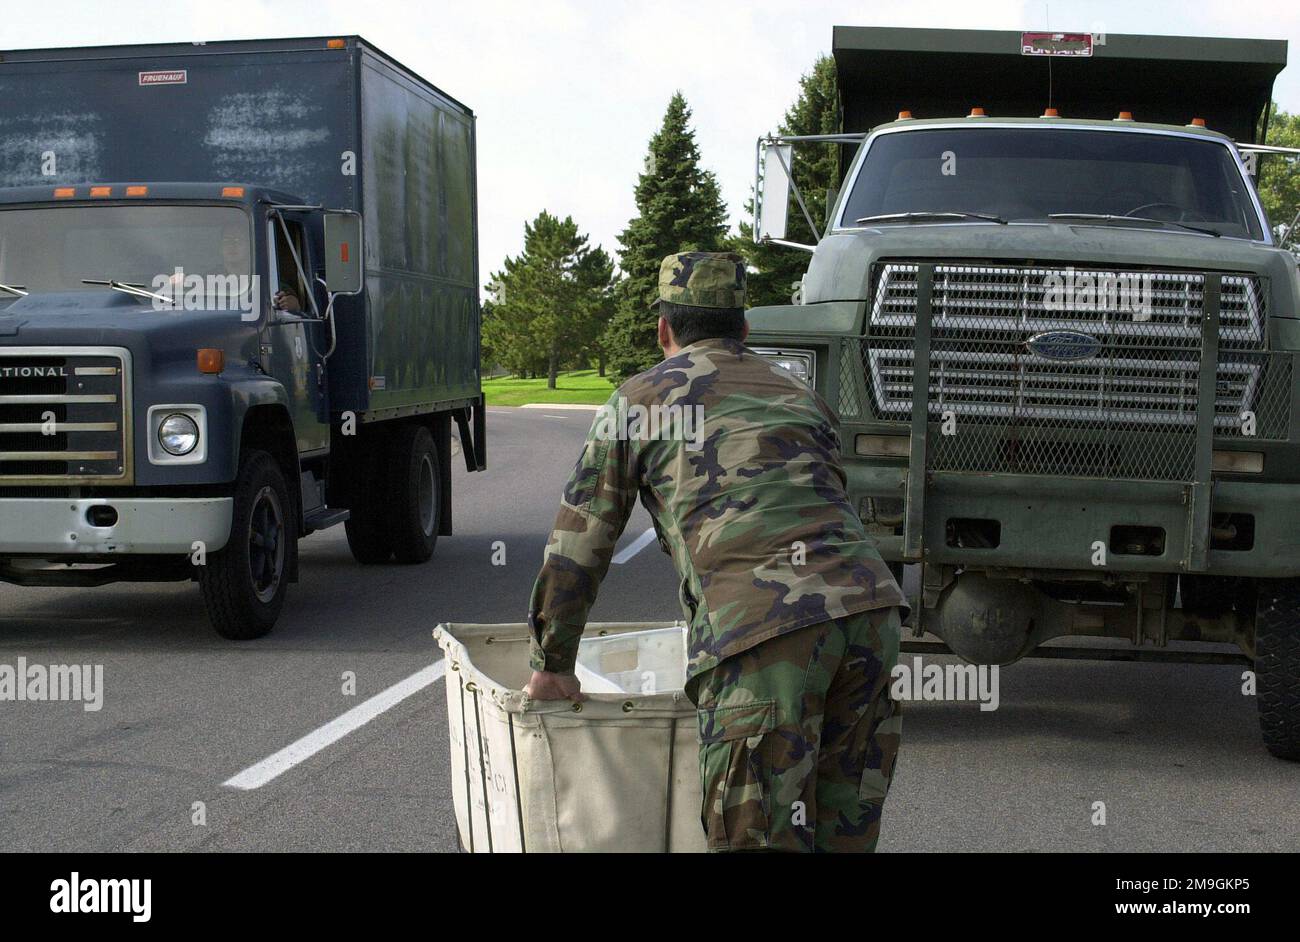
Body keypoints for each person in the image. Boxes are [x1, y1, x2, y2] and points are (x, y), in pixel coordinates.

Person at [524, 251, 908, 852]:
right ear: (745, 330)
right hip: (871, 616)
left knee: (755, 840)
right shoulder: (801, 397)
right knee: (843, 838)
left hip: (762, 630)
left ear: (664, 330)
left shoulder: (638, 402)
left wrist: (552, 663)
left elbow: (581, 543)